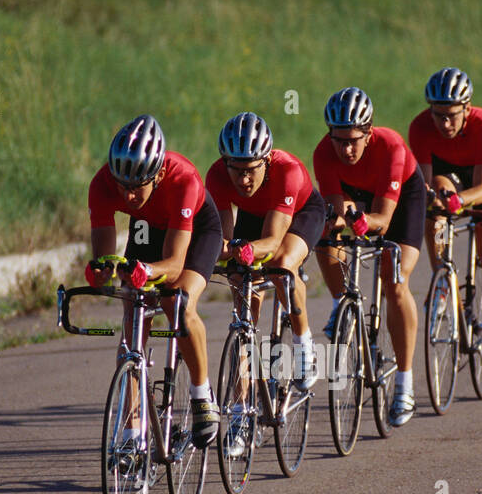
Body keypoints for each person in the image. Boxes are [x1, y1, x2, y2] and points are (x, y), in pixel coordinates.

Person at [85, 114, 221, 447]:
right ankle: (133, 435)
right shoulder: (102, 184)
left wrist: (148, 273)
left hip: (197, 230)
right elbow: (104, 258)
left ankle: (202, 394)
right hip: (148, 230)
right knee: (132, 320)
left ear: (158, 173)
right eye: (122, 186)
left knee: (177, 302)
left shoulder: (183, 179)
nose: (128, 196)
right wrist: (101, 272)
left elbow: (174, 265)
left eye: (137, 187)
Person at [312, 87, 425, 427]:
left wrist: (359, 220)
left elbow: (383, 220)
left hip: (401, 201)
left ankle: (404, 384)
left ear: (369, 133)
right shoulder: (323, 152)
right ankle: (340, 306)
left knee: (394, 279)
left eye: (353, 140)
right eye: (338, 140)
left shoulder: (390, 146)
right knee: (324, 234)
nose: (346, 149)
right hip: (355, 196)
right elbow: (334, 208)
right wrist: (339, 218)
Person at [206, 112, 326, 395]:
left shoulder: (287, 171)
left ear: (267, 160)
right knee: (243, 312)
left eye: (251, 170)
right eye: (237, 170)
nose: (244, 179)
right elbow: (224, 241)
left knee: (282, 265)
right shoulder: (216, 176)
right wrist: (227, 253)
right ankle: (240, 410)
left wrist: (240, 250)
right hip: (254, 215)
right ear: (226, 164)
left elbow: (272, 242)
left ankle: (303, 344)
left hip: (300, 213)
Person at [408, 67, 482, 384]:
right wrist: (439, 203)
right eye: (438, 115)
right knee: (434, 209)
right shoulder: (421, 127)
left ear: (467, 108)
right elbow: (426, 185)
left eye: (452, 115)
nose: (445, 124)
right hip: (447, 177)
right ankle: (442, 278)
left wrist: (460, 202)